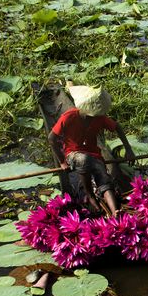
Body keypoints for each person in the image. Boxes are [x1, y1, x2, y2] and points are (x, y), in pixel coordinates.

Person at [49, 84, 135, 216]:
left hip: (94, 154)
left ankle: (114, 211)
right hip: (72, 154)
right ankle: (90, 195)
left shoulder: (99, 118)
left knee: (104, 178)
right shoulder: (69, 116)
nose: (92, 117)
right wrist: (62, 162)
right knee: (83, 159)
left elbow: (117, 127)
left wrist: (128, 149)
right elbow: (52, 138)